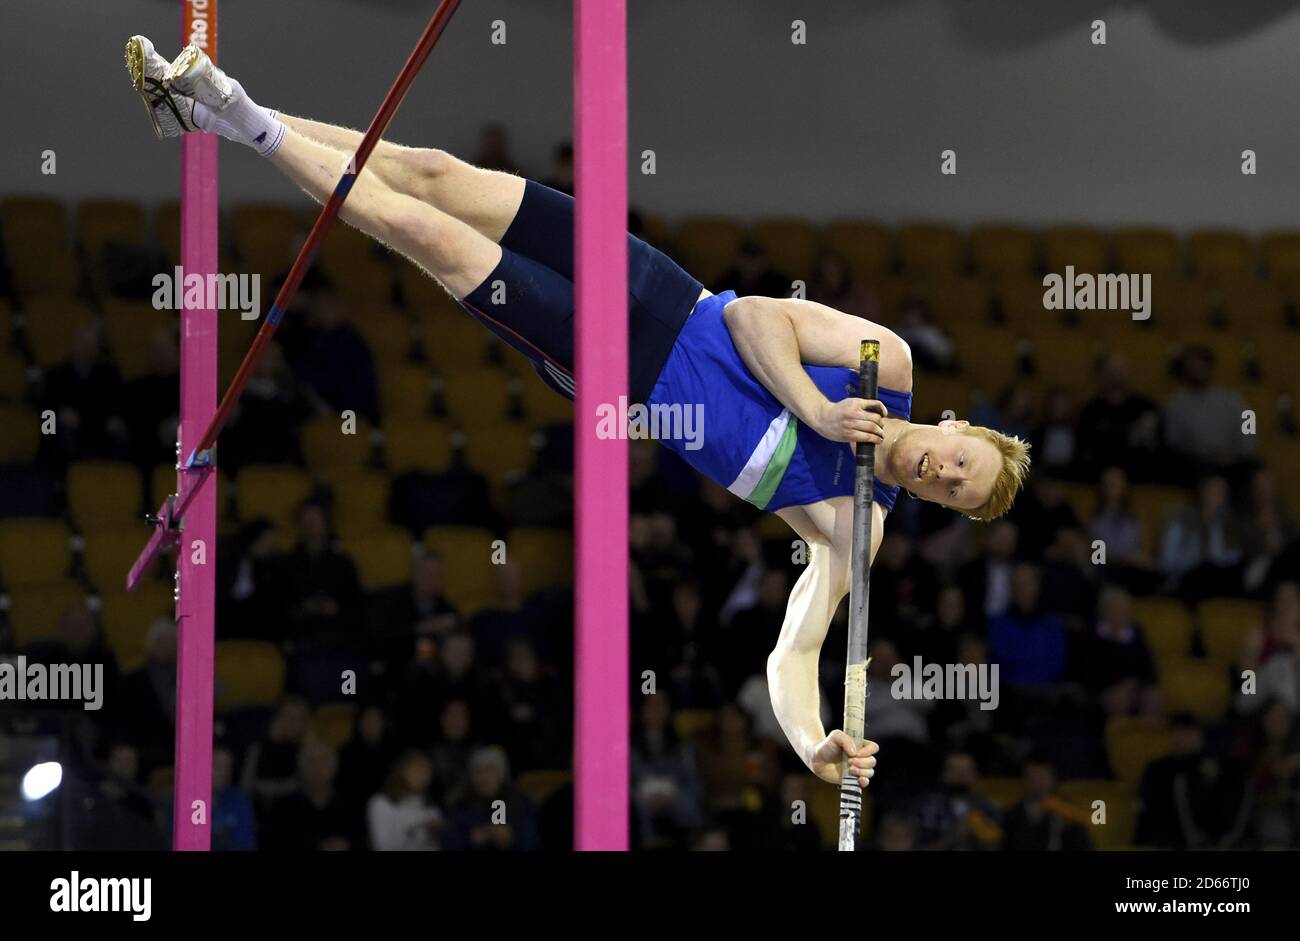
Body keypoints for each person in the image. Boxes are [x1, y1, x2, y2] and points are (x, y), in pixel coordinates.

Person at [126, 37, 1031, 791]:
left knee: (434, 240)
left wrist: (810, 741)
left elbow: (793, 656)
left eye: (956, 493)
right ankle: (209, 115)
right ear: (955, 425)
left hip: (623, 365)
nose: (944, 475)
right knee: (436, 175)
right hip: (666, 291)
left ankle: (234, 112)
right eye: (963, 460)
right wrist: (817, 412)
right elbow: (759, 317)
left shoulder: (855, 527)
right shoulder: (891, 363)